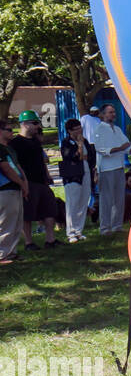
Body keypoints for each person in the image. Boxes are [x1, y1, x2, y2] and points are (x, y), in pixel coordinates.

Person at [10, 111, 59, 250]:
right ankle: (28, 242)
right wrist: (22, 182)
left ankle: (50, 239)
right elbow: (15, 165)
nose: (38, 126)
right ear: (25, 124)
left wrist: (47, 174)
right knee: (28, 213)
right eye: (35, 123)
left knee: (50, 209)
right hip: (28, 182)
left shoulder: (36, 141)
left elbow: (41, 160)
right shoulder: (15, 143)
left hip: (42, 181)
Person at [94, 105, 131, 234]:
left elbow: (127, 145)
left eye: (114, 112)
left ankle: (117, 225)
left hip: (119, 166)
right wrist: (120, 148)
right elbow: (100, 149)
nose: (113, 114)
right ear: (103, 115)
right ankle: (105, 227)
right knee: (106, 199)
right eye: (110, 112)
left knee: (119, 198)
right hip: (106, 168)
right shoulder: (99, 129)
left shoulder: (117, 129)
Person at [58, 119, 95, 242]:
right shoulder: (66, 142)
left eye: (80, 128)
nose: (80, 131)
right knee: (73, 203)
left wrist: (82, 153)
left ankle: (79, 230)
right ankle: (71, 232)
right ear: (69, 131)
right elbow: (71, 157)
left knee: (83, 201)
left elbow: (90, 156)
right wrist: (79, 146)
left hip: (86, 172)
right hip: (73, 175)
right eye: (76, 129)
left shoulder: (86, 141)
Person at [0, 120, 27, 265]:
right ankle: (2, 254)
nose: (12, 132)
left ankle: (12, 252)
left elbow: (17, 166)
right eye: (8, 130)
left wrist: (25, 183)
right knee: (6, 222)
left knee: (16, 222)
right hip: (4, 188)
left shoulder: (9, 149)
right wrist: (20, 182)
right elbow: (6, 168)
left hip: (16, 187)